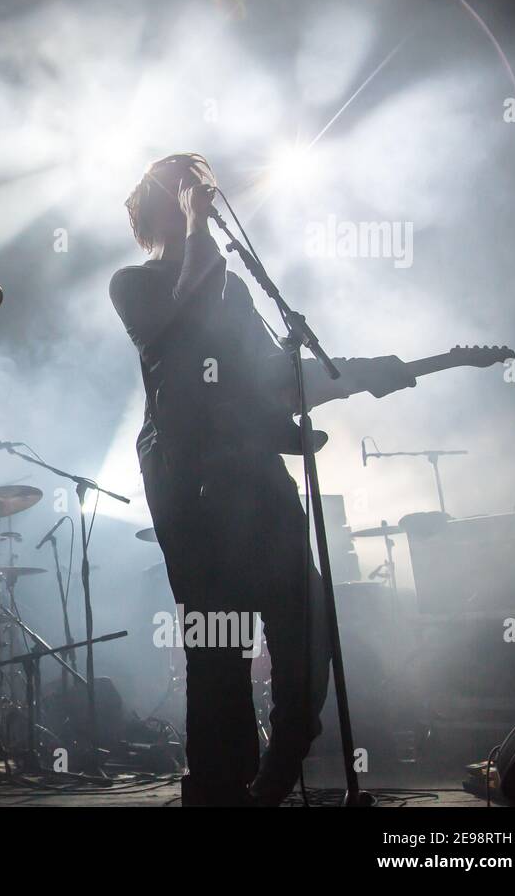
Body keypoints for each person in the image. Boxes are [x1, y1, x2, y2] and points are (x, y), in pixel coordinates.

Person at [110, 153, 414, 805]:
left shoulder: (233, 287)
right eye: (189, 194)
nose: (206, 203)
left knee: (307, 623)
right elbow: (180, 333)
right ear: (164, 204)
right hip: (186, 474)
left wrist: (363, 374)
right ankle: (219, 789)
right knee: (218, 642)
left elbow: (273, 380)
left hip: (254, 472)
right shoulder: (132, 284)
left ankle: (274, 778)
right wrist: (197, 230)